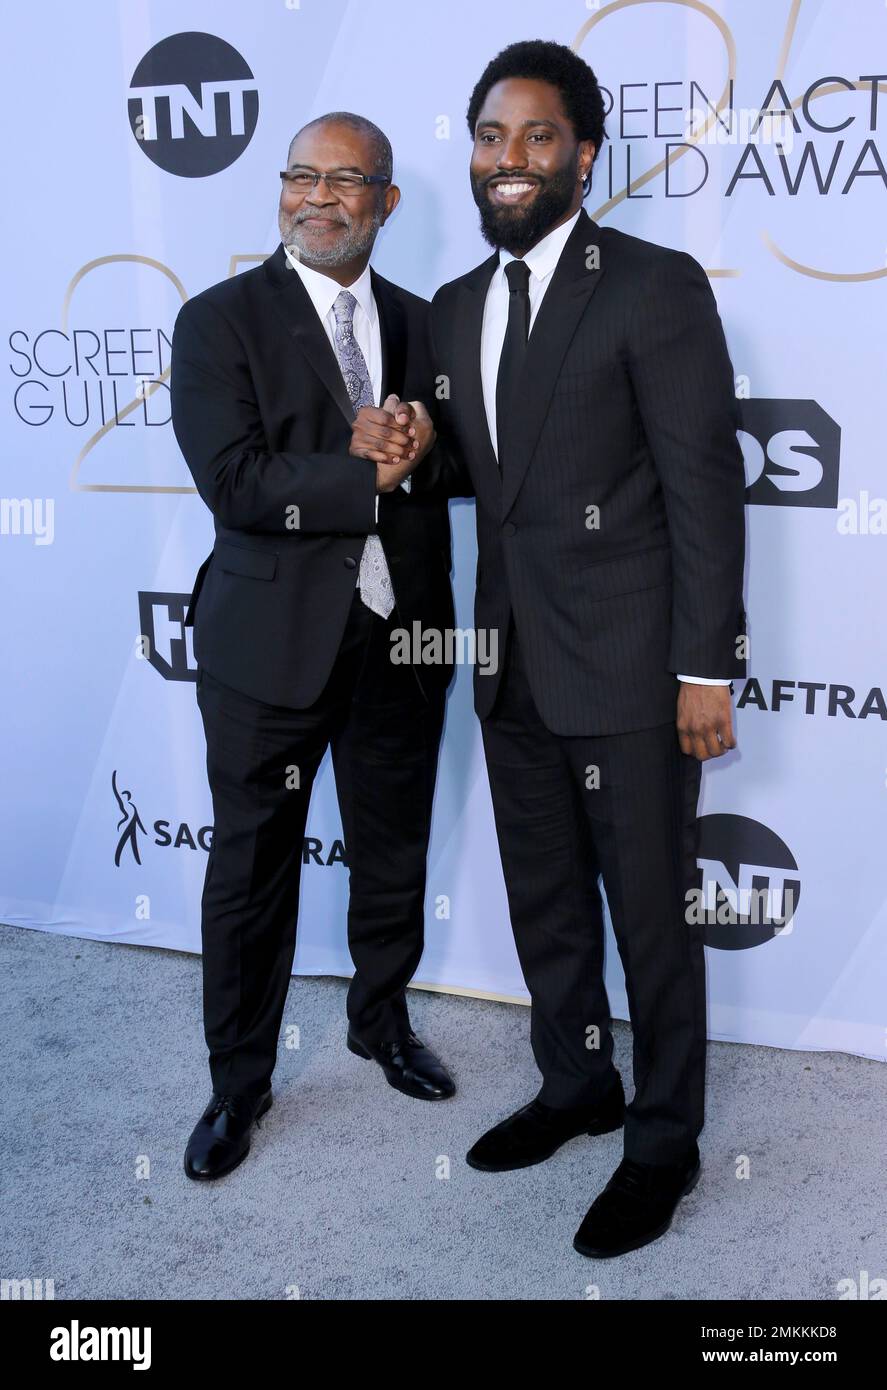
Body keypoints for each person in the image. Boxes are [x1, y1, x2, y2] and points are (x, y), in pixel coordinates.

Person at [397, 40, 747, 1257]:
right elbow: (479, 473)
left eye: (536, 137)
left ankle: (662, 1140)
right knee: (547, 906)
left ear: (583, 154)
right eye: (491, 138)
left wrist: (704, 667)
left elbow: (706, 490)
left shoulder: (651, 285)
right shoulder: (452, 308)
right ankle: (577, 1084)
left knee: (650, 916)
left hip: (631, 668)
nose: (509, 160)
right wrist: (410, 453)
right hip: (508, 663)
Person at [170, 112, 456, 1183]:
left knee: (392, 848)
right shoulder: (218, 321)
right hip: (268, 647)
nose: (318, 197)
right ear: (279, 190)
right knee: (250, 872)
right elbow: (235, 483)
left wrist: (424, 453)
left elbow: (463, 463)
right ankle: (236, 1085)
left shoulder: (427, 325)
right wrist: (358, 473)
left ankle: (379, 1022)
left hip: (401, 635)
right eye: (300, 175)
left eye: (347, 181)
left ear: (385, 202)